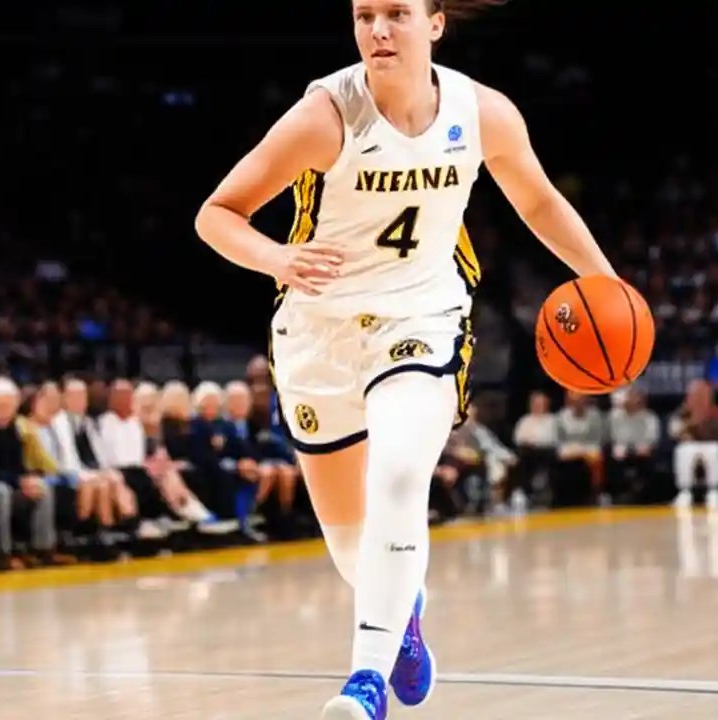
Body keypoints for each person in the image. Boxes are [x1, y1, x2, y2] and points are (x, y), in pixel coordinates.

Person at [194, 1, 618, 716]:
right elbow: (216, 214)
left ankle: (365, 683)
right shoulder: (325, 116)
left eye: (397, 13)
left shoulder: (482, 113)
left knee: (398, 474)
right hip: (318, 332)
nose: (379, 30)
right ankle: (405, 612)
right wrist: (278, 258)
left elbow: (540, 203)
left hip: (422, 316)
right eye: (365, 16)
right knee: (350, 546)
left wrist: (604, 282)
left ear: (436, 23)